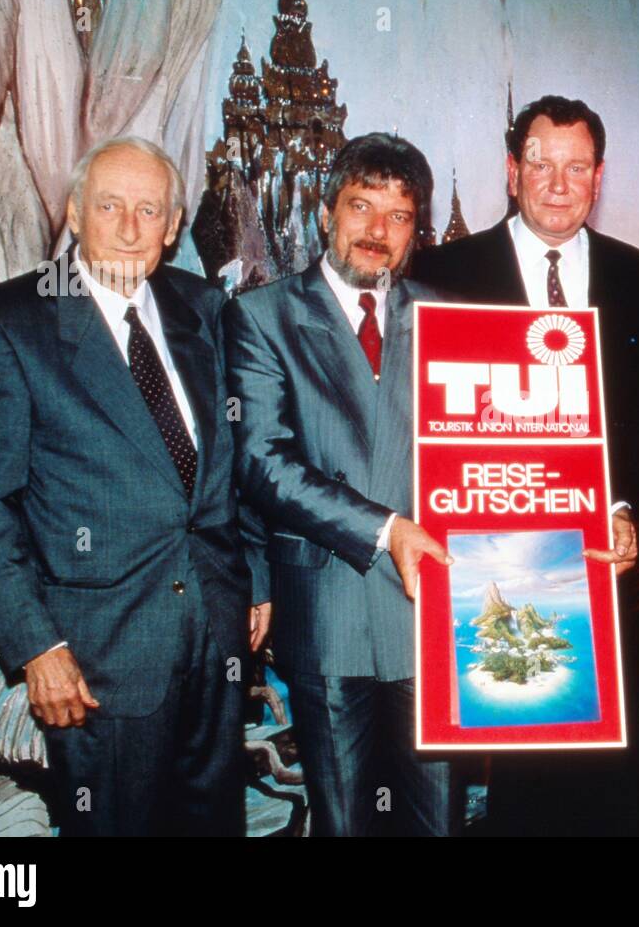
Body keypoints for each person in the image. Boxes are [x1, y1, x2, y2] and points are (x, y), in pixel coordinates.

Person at [0, 136, 268, 836]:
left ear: (173, 224)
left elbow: (238, 462)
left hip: (217, 640)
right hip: (97, 661)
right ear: (72, 213)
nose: (129, 227)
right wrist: (35, 646)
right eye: (109, 206)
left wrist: (259, 575)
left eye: (148, 209)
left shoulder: (205, 309)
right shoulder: (7, 323)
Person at [412, 94, 639, 835]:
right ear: (511, 171)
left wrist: (624, 510)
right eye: (541, 164)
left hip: (602, 556)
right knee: (506, 759)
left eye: (577, 167)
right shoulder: (441, 272)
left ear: (599, 176)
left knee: (604, 765)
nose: (559, 184)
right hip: (481, 557)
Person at [224, 133, 457, 837]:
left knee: (437, 823)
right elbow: (264, 462)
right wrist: (389, 529)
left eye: (399, 215)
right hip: (330, 615)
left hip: (434, 617)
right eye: (361, 206)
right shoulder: (262, 316)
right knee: (347, 821)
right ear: (327, 212)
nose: (377, 232)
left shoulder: (448, 317)